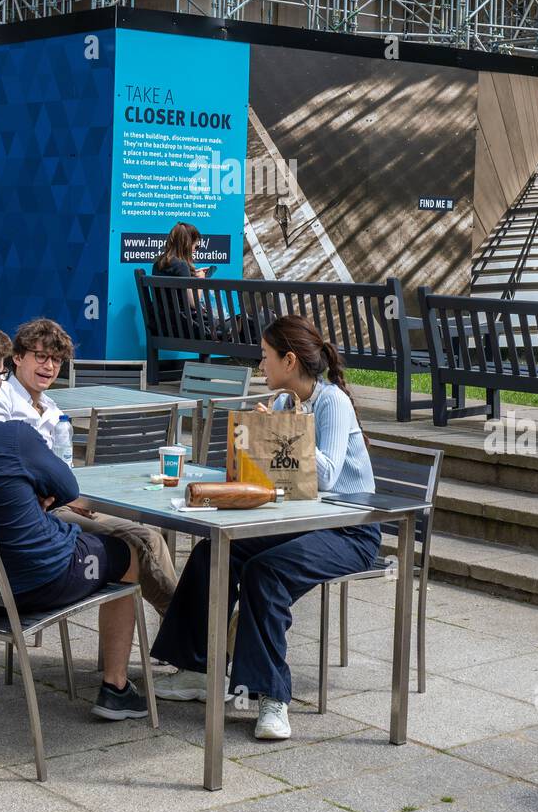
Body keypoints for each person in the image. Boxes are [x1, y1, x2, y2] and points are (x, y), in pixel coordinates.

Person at [0, 323, 149, 721]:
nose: (3, 380)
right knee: (129, 550)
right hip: (39, 580)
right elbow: (67, 488)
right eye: (1, 374)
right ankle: (116, 687)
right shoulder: (15, 438)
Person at [151, 314, 380, 741]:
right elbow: (272, 476)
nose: (261, 366)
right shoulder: (280, 402)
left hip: (349, 529)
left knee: (265, 572)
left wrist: (278, 436)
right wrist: (261, 434)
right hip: (300, 521)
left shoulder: (332, 402)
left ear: (289, 360)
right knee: (209, 554)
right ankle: (200, 670)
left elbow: (325, 477)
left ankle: (271, 697)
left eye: (265, 356)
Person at [0, 317, 177, 617]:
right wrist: (64, 496)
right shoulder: (1, 400)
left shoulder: (53, 410)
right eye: (41, 356)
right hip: (37, 516)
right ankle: (192, 631)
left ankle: (188, 630)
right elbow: (6, 465)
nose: (49, 366)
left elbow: (63, 468)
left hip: (63, 504)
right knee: (132, 544)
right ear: (18, 357)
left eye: (56, 360)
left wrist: (74, 496)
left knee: (150, 536)